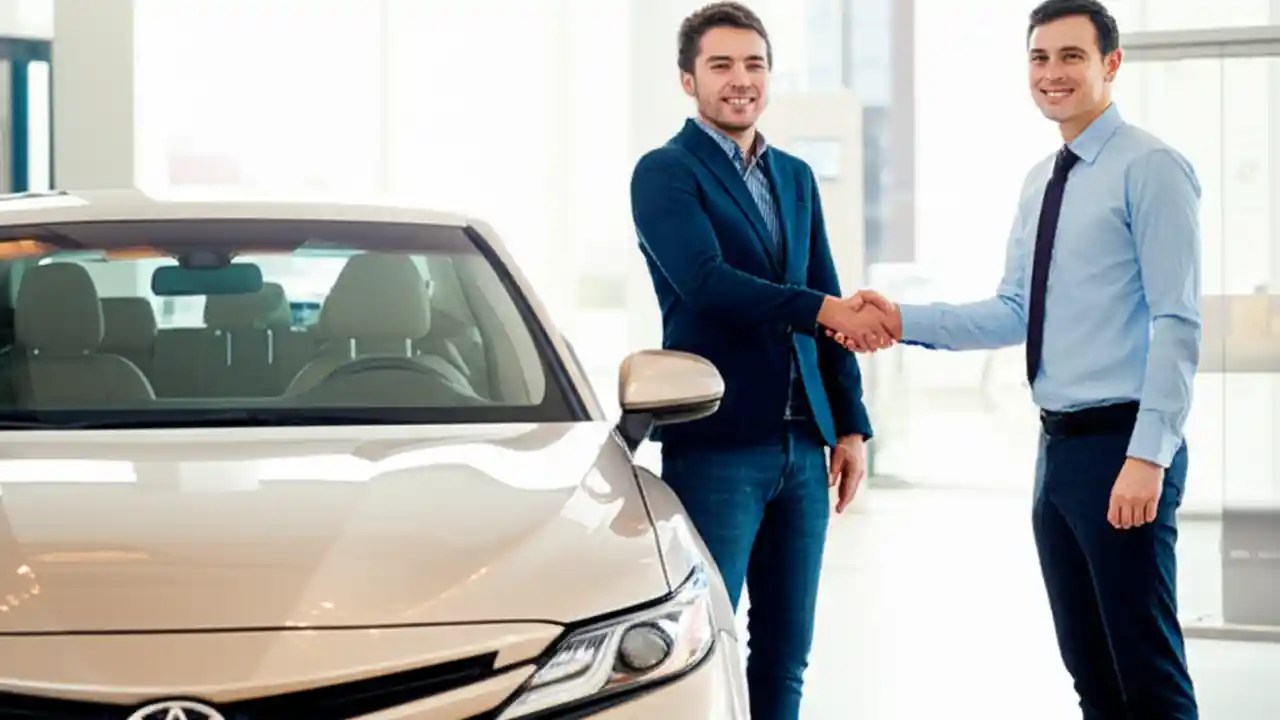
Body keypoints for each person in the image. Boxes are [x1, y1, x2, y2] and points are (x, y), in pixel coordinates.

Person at [835, 1, 1202, 717]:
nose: (1053, 73)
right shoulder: (1042, 178)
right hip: (1057, 450)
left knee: (1146, 672)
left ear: (1111, 65)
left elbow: (1179, 321)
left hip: (1123, 448)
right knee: (1090, 670)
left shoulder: (1151, 167)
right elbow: (1013, 310)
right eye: (1040, 58)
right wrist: (899, 320)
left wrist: (1149, 455)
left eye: (1072, 56)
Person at [628, 3, 892, 717]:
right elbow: (705, 282)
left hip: (803, 446)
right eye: (721, 65)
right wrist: (821, 310)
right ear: (688, 80)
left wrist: (850, 425)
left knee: (786, 651)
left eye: (754, 64)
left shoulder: (796, 177)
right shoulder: (664, 173)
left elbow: (827, 294)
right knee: (702, 642)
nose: (740, 80)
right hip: (717, 445)